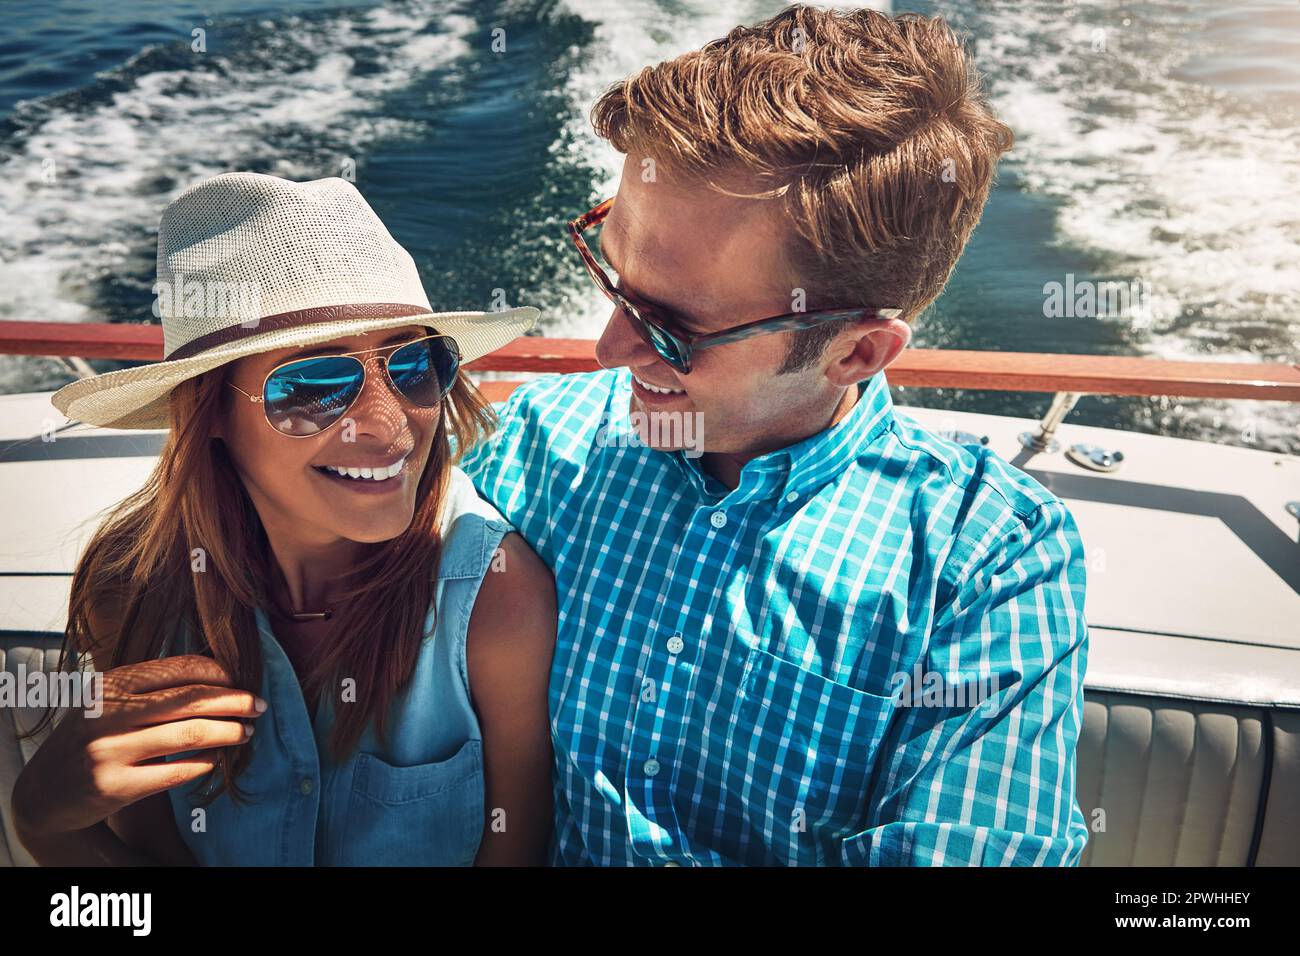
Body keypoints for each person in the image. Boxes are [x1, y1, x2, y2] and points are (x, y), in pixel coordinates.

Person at [459, 5, 1090, 865]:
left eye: (672, 327)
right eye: (611, 269)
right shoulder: (532, 450)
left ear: (857, 351)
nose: (609, 350)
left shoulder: (986, 561)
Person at [12, 172, 556, 866]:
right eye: (312, 386)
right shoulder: (135, 590)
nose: (389, 429)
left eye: (414, 365)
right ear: (208, 413)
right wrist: (46, 823)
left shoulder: (494, 600)